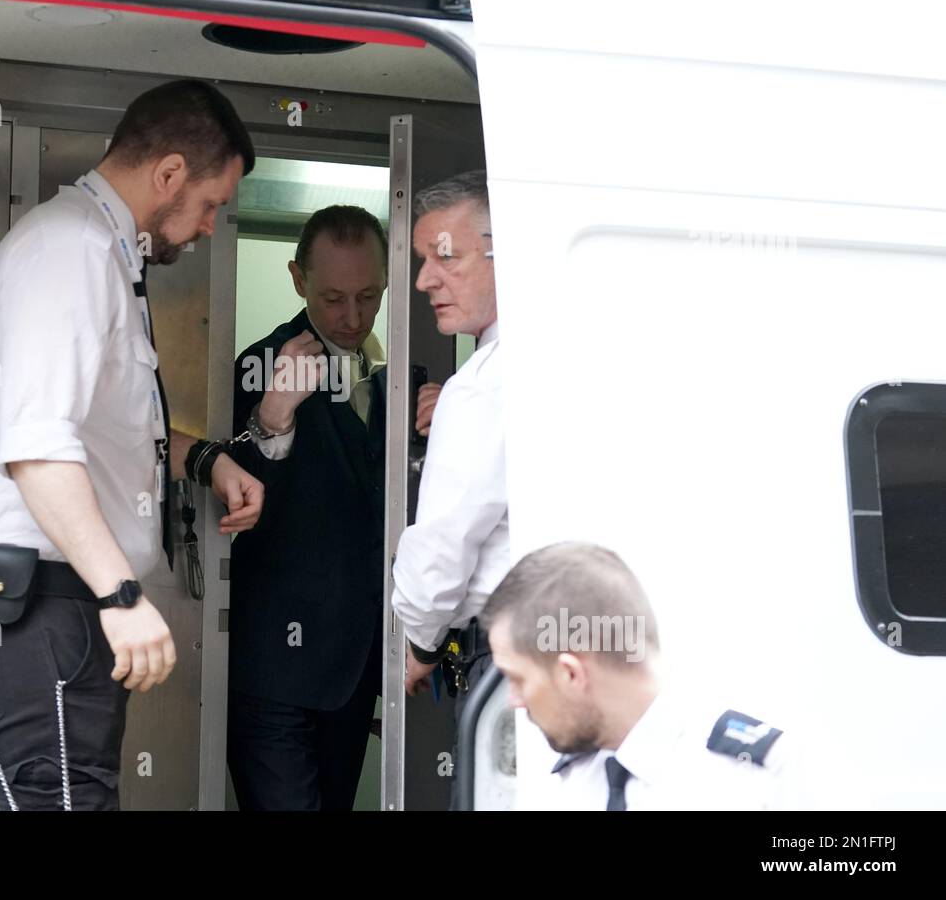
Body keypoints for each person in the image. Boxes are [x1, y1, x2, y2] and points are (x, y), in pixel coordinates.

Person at [0, 78, 265, 810]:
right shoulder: (69, 251)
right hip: (33, 609)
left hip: (53, 612)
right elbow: (38, 449)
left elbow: (99, 420)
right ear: (168, 173)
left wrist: (206, 457)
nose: (208, 228)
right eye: (209, 205)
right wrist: (123, 593)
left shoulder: (99, 253)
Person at [225, 205, 398, 810]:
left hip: (356, 673)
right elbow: (229, 498)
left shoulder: (403, 378)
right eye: (332, 299)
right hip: (270, 673)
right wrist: (271, 420)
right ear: (298, 279)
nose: (352, 317)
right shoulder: (257, 369)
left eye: (368, 297)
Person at [480, 541, 801, 810]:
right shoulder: (567, 783)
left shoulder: (761, 784)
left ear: (571, 674)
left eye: (518, 679)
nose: (513, 700)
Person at [389, 169, 510, 804]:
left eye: (445, 257)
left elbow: (441, 552)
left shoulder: (484, 385)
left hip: (510, 664)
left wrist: (417, 642)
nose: (423, 280)